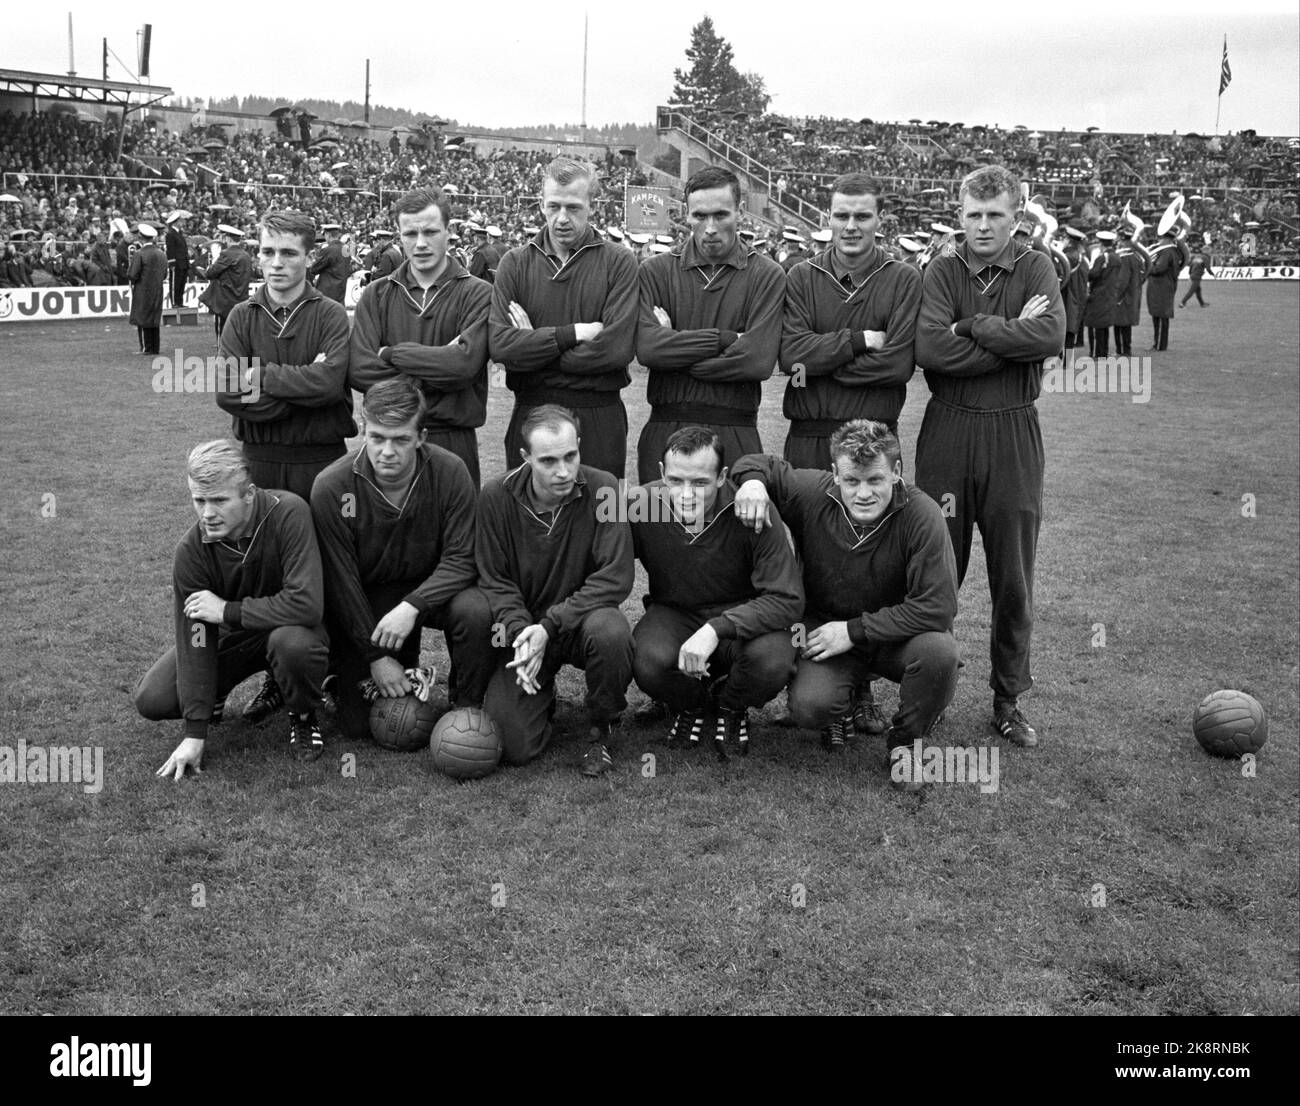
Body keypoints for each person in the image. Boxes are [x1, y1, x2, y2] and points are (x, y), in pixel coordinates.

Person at [912, 164, 1065, 749]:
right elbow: (931, 349)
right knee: (936, 571)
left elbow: (1049, 337)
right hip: (949, 428)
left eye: (995, 214)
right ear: (958, 215)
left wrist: (972, 325)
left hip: (1012, 433)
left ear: (1016, 216)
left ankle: (1008, 698)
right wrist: (1007, 342)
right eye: (972, 215)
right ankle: (931, 692)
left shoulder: (1035, 266)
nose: (982, 226)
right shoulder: (942, 270)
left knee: (1014, 575)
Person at [732, 421, 958, 790]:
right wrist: (753, 483)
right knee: (811, 708)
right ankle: (841, 704)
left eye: (875, 480)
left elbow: (937, 607)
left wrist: (854, 631)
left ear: (897, 473)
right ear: (835, 474)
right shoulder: (812, 493)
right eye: (852, 481)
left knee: (939, 653)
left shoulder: (923, 514)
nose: (863, 493)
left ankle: (905, 744)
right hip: (826, 633)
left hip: (894, 637)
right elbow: (757, 463)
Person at [216, 210, 355, 725]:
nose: (276, 263)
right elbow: (227, 391)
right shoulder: (241, 317)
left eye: (289, 253)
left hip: (321, 465)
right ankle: (274, 680)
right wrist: (304, 388)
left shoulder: (331, 315)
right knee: (259, 572)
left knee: (324, 574)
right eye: (268, 251)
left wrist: (262, 376)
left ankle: (330, 678)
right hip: (259, 463)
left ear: (307, 258)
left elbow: (331, 384)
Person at [311, 376, 495, 740]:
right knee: (359, 728)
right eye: (377, 437)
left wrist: (413, 605)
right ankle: (339, 677)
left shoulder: (450, 471)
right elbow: (340, 581)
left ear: (422, 436)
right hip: (367, 597)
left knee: (475, 609)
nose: (387, 452)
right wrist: (374, 655)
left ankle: (467, 704)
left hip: (430, 590)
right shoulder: (332, 486)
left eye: (401, 440)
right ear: (363, 429)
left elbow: (462, 557)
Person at [136, 440, 330, 778]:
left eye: (220, 500)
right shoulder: (191, 551)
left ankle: (301, 714)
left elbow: (306, 605)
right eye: (199, 500)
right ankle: (215, 694)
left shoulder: (289, 513)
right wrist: (194, 733)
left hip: (289, 630)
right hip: (236, 639)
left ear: (249, 495)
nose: (207, 513)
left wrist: (227, 611)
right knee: (153, 698)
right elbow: (195, 636)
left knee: (294, 645)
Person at [475, 404, 634, 776]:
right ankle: (538, 695)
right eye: (547, 460)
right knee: (514, 747)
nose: (563, 471)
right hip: (527, 632)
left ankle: (601, 728)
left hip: (580, 624)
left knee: (612, 632)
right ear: (525, 457)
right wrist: (522, 631)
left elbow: (616, 575)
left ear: (579, 445)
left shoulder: (604, 488)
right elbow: (494, 579)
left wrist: (551, 625)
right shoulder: (495, 496)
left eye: (570, 456)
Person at [630, 426, 802, 757]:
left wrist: (716, 628)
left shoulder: (752, 508)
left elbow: (787, 599)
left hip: (742, 616)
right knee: (644, 657)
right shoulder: (643, 504)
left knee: (773, 659)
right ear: (662, 472)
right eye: (676, 480)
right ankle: (691, 704)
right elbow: (604, 562)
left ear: (722, 477)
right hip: (675, 612)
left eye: (700, 483)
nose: (686, 493)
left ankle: (732, 706)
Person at [489, 157, 638, 479]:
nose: (561, 218)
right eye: (553, 206)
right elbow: (501, 347)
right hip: (532, 411)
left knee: (600, 519)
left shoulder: (619, 262)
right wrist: (570, 335)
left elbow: (615, 350)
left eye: (573, 207)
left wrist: (534, 345)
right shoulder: (514, 263)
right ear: (541, 204)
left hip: (599, 414)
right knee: (528, 520)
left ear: (592, 205)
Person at [634, 166, 785, 485]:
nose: (710, 227)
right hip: (665, 429)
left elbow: (757, 362)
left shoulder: (766, 275)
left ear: (740, 212)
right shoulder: (655, 271)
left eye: (721, 214)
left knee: (734, 531)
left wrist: (676, 344)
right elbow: (649, 350)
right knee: (661, 530)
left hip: (737, 432)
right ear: (685, 215)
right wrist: (727, 340)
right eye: (700, 216)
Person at [779, 173, 921, 469]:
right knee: (805, 515)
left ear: (880, 219)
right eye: (842, 215)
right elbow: (793, 360)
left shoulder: (903, 278)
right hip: (809, 440)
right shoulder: (802, 276)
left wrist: (824, 365)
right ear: (828, 217)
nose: (851, 226)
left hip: (875, 440)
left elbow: (896, 366)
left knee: (873, 517)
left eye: (862, 216)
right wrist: (860, 341)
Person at [349, 189, 491, 486]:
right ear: (399, 235)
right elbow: (361, 370)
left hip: (453, 440)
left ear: (449, 232)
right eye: (410, 233)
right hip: (391, 439)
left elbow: (463, 367)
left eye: (430, 232)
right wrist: (440, 365)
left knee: (454, 532)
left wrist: (391, 354)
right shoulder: (376, 295)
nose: (421, 243)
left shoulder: (478, 293)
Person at [196, 223, 254, 338]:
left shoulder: (227, 254)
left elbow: (210, 273)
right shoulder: (246, 255)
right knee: (238, 333)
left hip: (225, 301)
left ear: (227, 238)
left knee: (223, 332)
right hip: (241, 298)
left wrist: (213, 261)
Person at [127, 223, 167, 355]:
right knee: (154, 319)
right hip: (158, 290)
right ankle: (155, 347)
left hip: (143, 290)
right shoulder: (161, 253)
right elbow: (165, 274)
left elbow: (132, 274)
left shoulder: (139, 254)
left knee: (143, 319)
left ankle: (146, 347)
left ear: (141, 237)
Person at [1146, 229, 1188, 351]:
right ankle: (1160, 344)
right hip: (1164, 286)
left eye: (1161, 238)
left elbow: (1159, 268)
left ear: (1167, 239)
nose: (1159, 241)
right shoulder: (1172, 251)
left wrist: (1148, 266)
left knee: (1160, 315)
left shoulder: (1167, 252)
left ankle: (1159, 345)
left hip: (1161, 287)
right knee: (1160, 316)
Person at [1082, 230, 1121, 359]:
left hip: (1098, 294)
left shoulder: (1102, 258)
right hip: (1110, 294)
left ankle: (1096, 353)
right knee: (1104, 326)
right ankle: (1103, 352)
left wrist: (1088, 270)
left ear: (1101, 244)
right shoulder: (1116, 257)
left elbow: (1093, 275)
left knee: (1095, 325)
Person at [309, 223, 350, 304]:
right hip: (341, 291)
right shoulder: (346, 249)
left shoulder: (328, 250)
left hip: (327, 292)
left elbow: (314, 269)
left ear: (328, 235)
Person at [164, 210, 191, 309]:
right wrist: (172, 263)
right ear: (176, 221)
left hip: (183, 262)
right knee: (175, 284)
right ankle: (175, 303)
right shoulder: (171, 234)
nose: (183, 223)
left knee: (181, 284)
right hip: (176, 263)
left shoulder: (179, 233)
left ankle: (180, 302)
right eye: (181, 221)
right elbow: (170, 250)